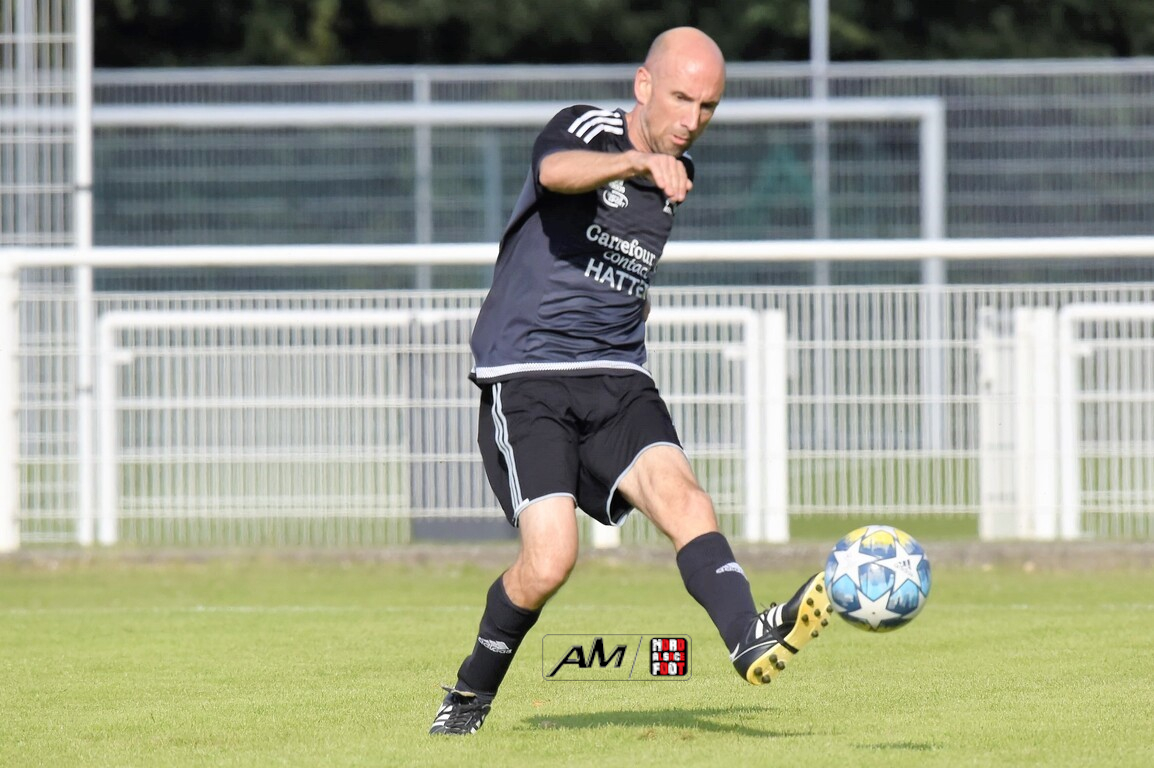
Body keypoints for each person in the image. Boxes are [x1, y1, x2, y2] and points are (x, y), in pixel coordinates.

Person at [429, 26, 830, 736]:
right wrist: (634, 161)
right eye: (681, 98)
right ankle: (469, 693)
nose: (692, 119)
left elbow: (617, 265)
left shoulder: (678, 173)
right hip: (530, 373)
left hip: (618, 374)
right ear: (643, 85)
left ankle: (748, 636)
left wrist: (634, 289)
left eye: (708, 107)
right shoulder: (588, 130)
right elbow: (556, 173)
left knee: (686, 499)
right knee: (549, 562)